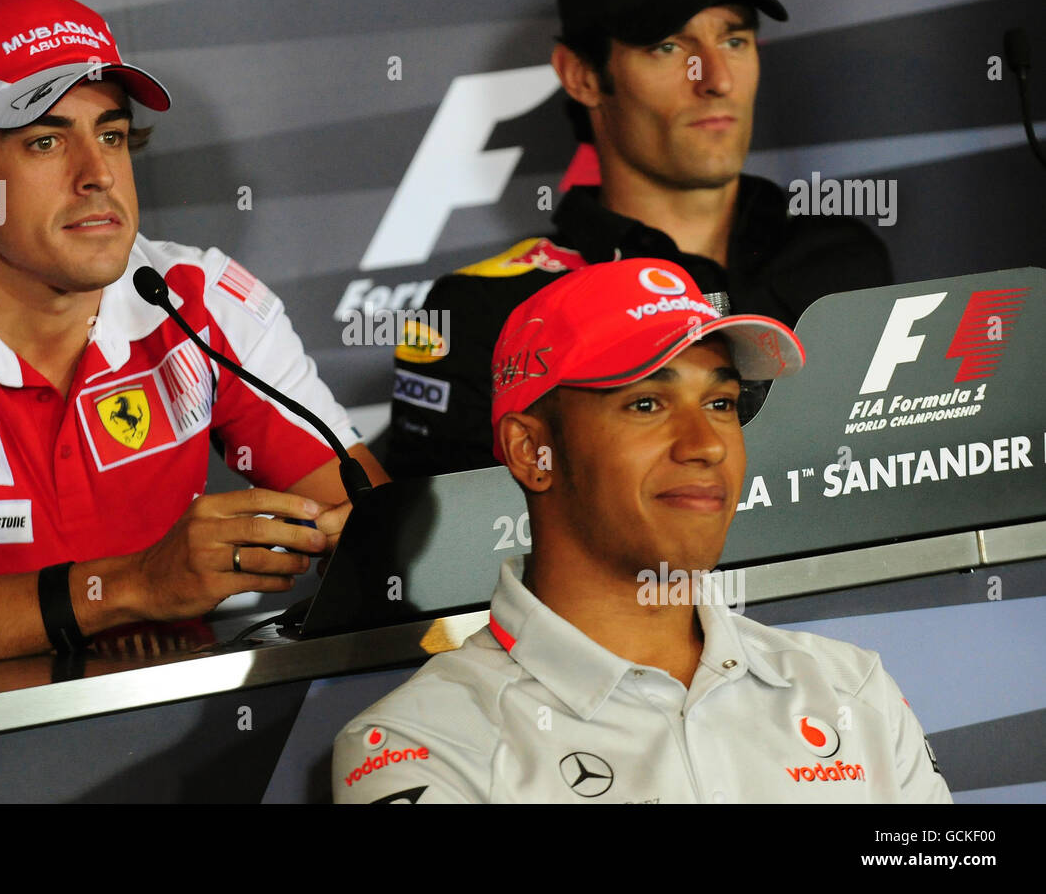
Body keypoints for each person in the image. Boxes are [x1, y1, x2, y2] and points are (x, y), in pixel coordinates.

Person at [0, 0, 385, 677]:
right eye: (45, 141)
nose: (98, 175)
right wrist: (133, 588)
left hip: (197, 739)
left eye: (113, 135)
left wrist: (352, 532)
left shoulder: (198, 298)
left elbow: (375, 518)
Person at [335, 259, 949, 803]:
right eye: (647, 405)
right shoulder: (421, 745)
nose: (706, 445)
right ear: (530, 450)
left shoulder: (852, 687)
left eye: (721, 404)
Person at [385, 0, 892, 478]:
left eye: (734, 40)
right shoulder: (488, 310)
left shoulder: (844, 264)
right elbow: (446, 559)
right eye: (668, 47)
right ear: (582, 75)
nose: (717, 80)